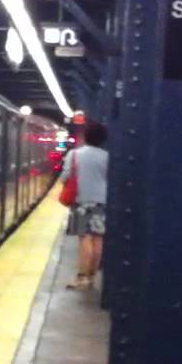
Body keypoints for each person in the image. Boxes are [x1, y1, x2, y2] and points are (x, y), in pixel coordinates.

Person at [61, 122, 109, 289]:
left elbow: (65, 176)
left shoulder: (74, 154)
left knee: (85, 239)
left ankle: (81, 277)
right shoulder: (107, 157)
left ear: (85, 136)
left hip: (81, 202)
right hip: (101, 203)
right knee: (98, 239)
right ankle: (92, 275)